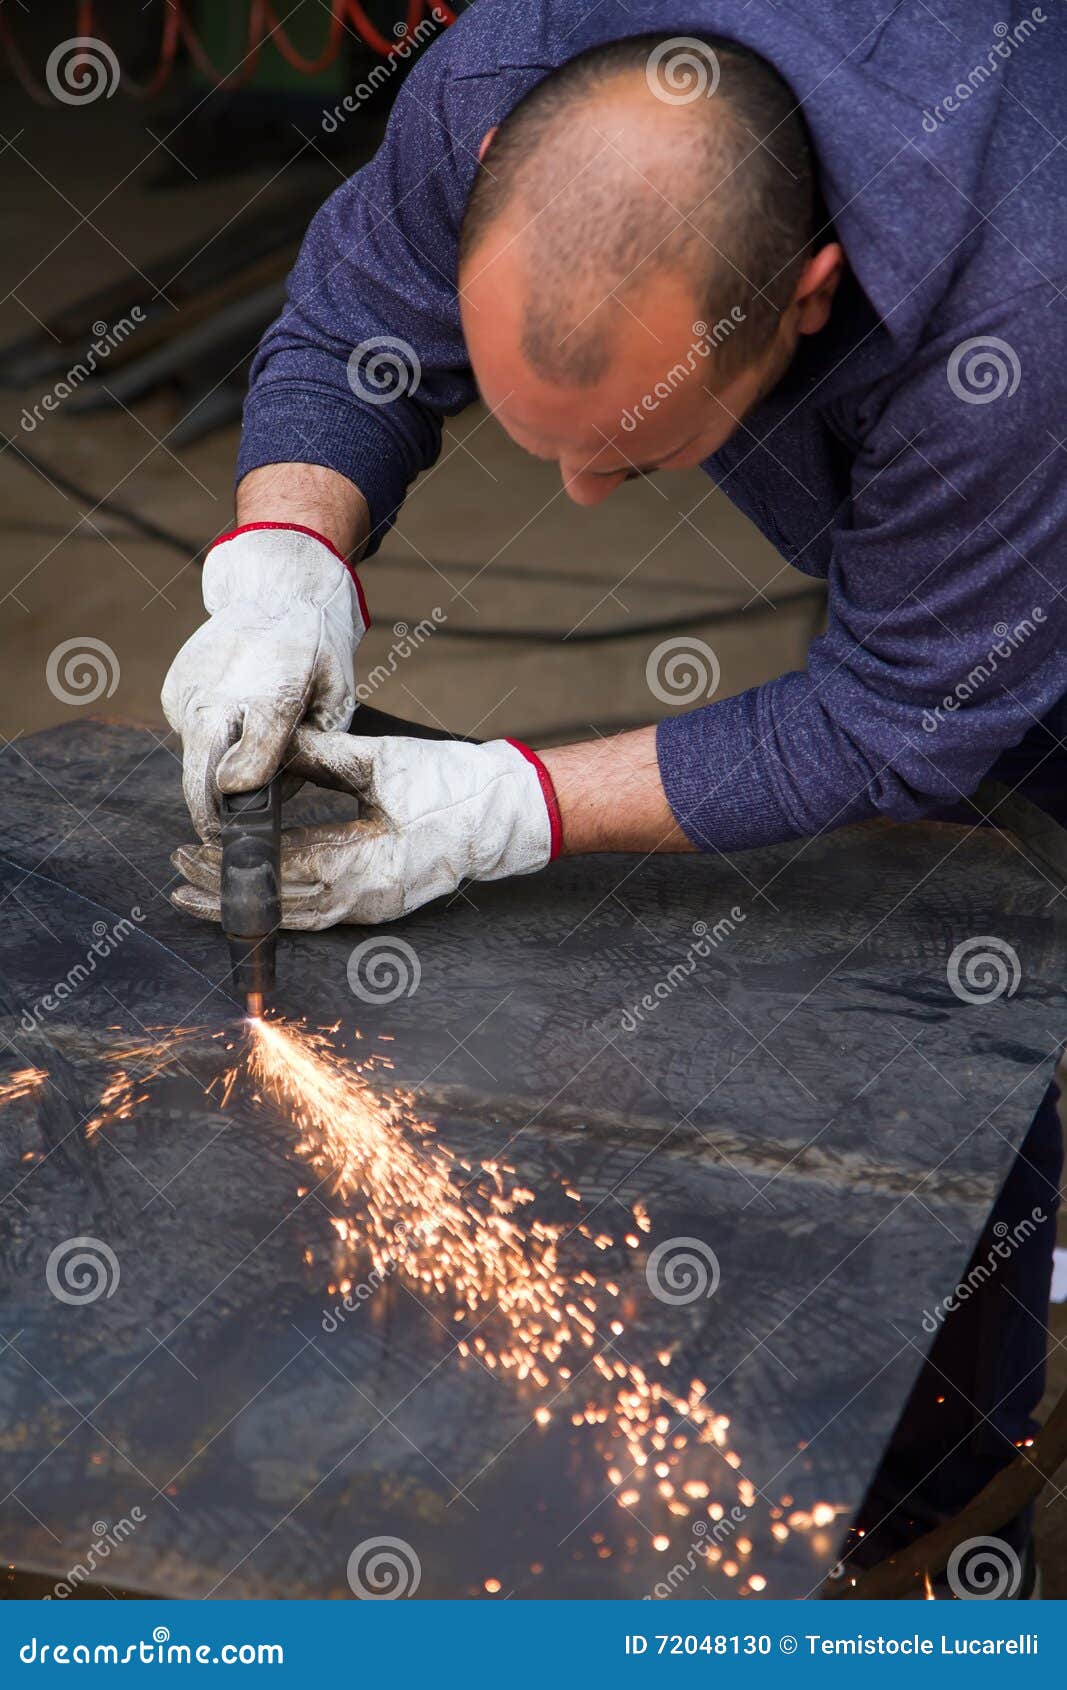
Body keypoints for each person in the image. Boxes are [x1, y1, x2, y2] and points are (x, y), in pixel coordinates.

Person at [162, 3, 1065, 1590]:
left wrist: (509, 801)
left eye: (630, 464)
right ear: (496, 158)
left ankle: (930, 1529)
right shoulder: (504, 79)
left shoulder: (1022, 304)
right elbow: (354, 324)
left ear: (810, 295)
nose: (578, 495)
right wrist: (286, 563)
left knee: (971, 999)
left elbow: (900, 718)